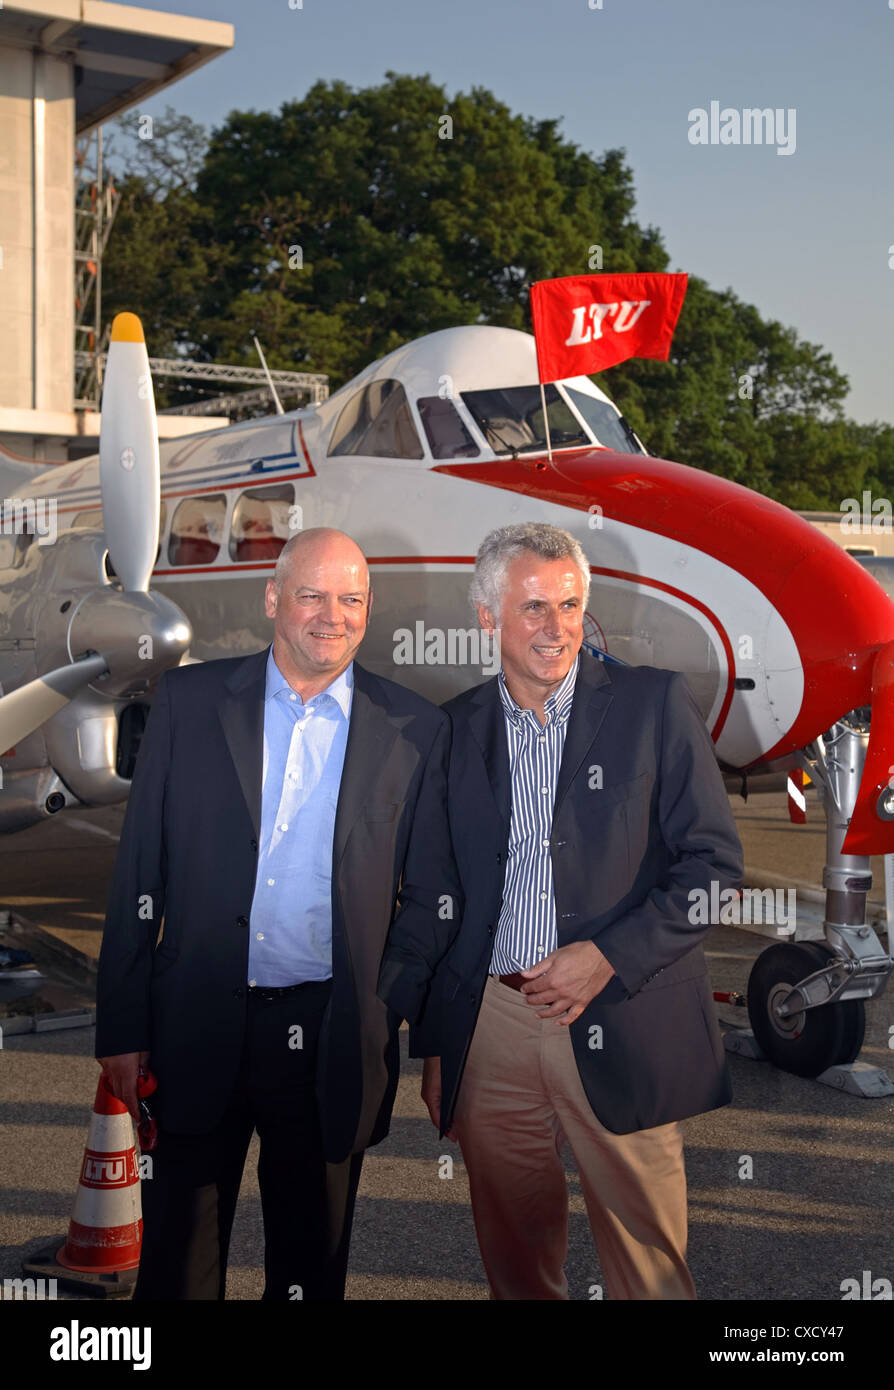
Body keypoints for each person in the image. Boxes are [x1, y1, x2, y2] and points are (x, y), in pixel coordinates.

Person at [378, 522, 744, 1300]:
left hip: (622, 1009)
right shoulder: (454, 729)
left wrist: (607, 955)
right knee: (514, 1257)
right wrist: (442, 1043)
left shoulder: (653, 705)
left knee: (649, 1265)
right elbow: (438, 898)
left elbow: (713, 869)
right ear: (486, 617)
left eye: (570, 605)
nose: (557, 628)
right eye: (535, 608)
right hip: (492, 1028)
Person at [96, 527, 454, 1301]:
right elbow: (138, 876)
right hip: (195, 1029)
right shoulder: (190, 704)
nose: (334, 615)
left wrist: (384, 1003)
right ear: (272, 600)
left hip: (328, 1040)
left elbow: (430, 898)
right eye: (313, 595)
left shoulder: (416, 731)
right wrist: (121, 1026)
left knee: (309, 1271)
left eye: (352, 598)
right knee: (178, 1272)